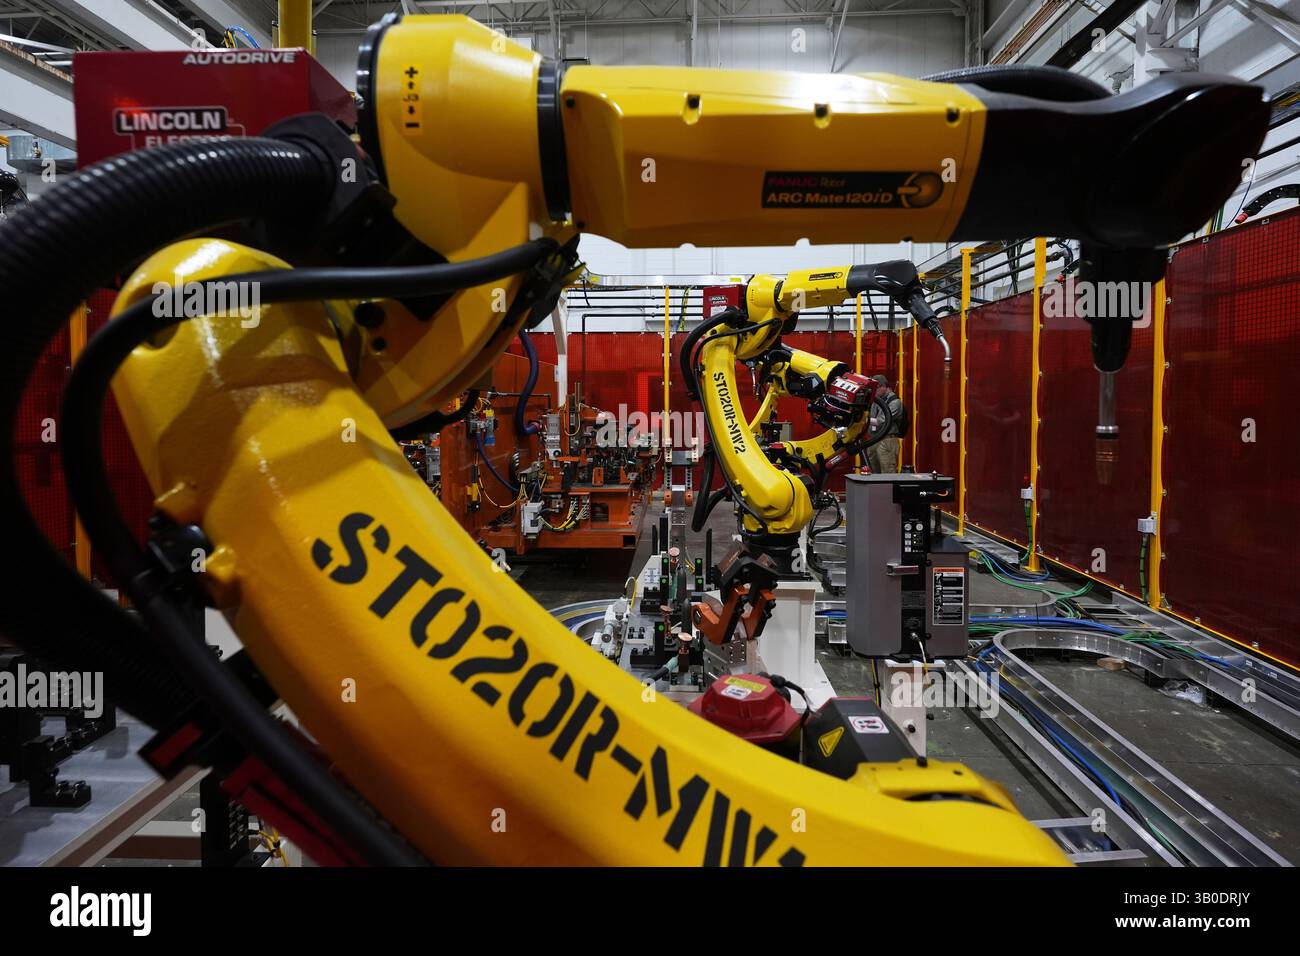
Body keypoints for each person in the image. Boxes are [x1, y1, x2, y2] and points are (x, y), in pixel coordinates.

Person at [866, 374, 908, 474]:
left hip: (887, 441)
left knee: (887, 473)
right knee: (872, 474)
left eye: (875, 389)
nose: (873, 392)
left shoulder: (895, 402)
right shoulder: (877, 400)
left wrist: (865, 420)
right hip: (873, 440)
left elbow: (881, 421)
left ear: (883, 386)